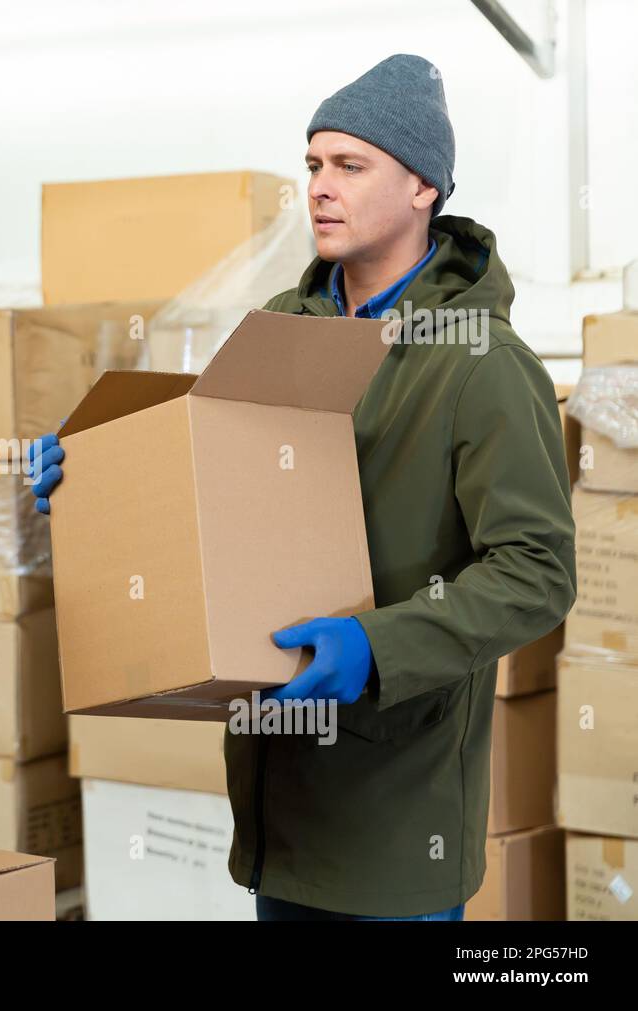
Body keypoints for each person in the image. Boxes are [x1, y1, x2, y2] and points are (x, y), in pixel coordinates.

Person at [28, 54, 575, 921]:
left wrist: (376, 649)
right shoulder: (282, 324)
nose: (321, 186)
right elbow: (207, 480)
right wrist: (94, 475)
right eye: (314, 164)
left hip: (398, 814)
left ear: (423, 186)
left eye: (350, 166)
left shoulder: (482, 365)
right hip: (280, 806)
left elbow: (538, 573)